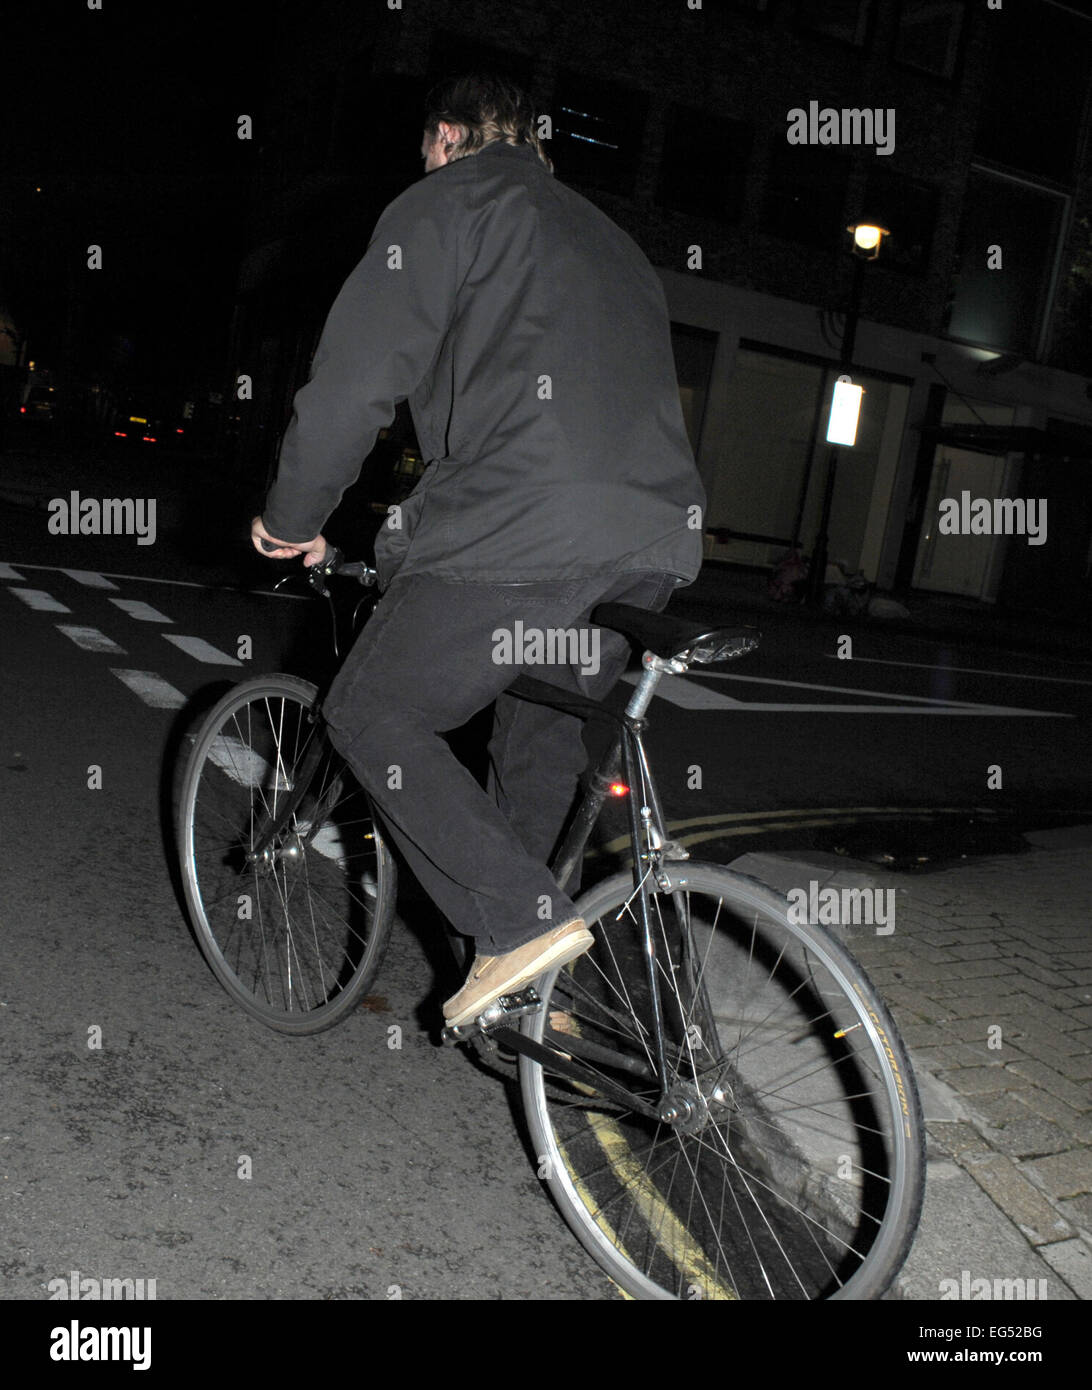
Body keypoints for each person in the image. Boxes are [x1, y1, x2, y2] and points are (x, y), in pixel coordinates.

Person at [251, 73, 705, 1028]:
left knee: (372, 708)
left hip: (529, 529)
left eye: (425, 152)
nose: (421, 167)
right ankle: (552, 984)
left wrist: (293, 515)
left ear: (447, 137)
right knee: (536, 732)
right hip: (656, 540)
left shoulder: (449, 201)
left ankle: (517, 922)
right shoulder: (611, 238)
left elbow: (355, 383)